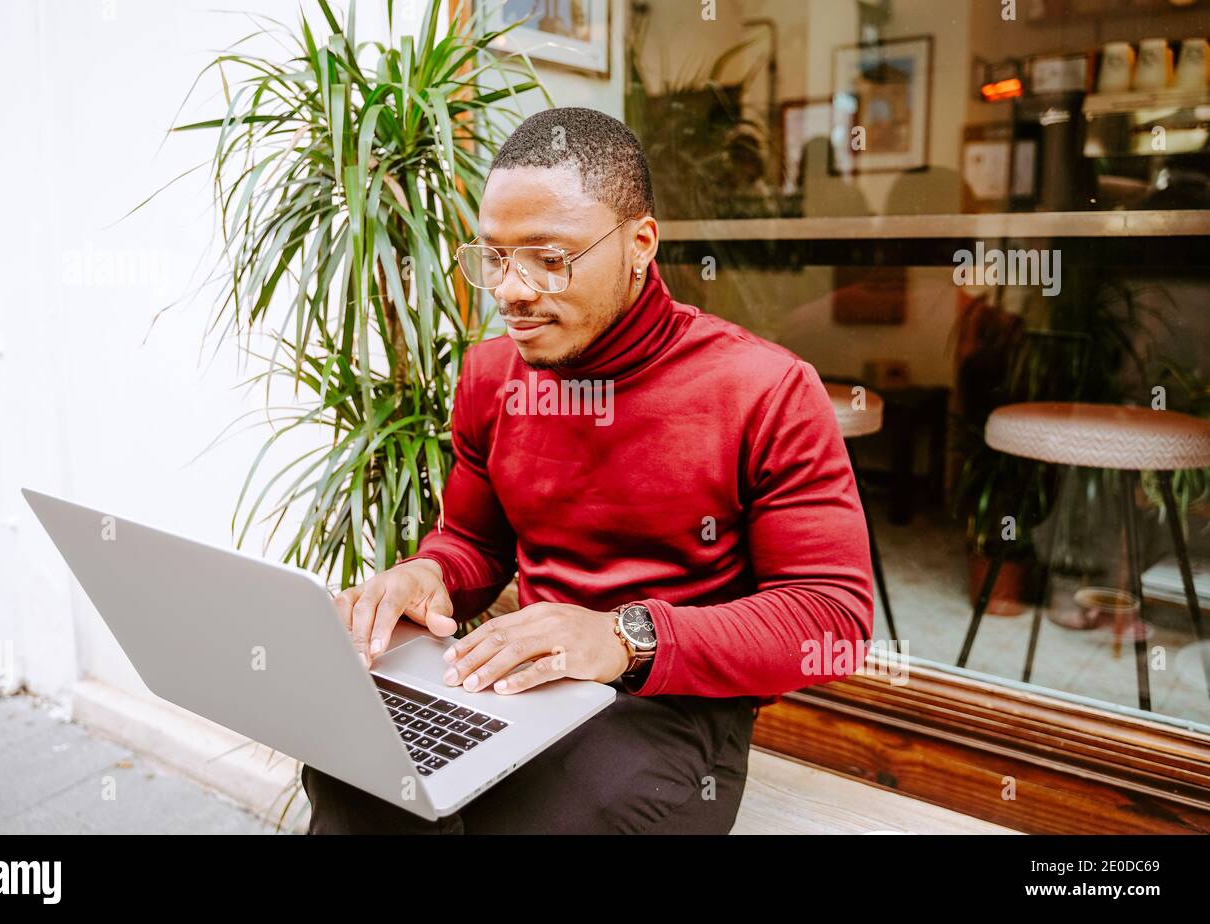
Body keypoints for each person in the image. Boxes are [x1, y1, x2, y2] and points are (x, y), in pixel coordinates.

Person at [301, 106, 874, 834]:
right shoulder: (490, 376)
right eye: (495, 257)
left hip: (675, 710)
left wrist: (624, 637)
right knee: (354, 775)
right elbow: (474, 544)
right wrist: (430, 573)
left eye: (549, 257)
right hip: (523, 680)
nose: (511, 289)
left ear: (640, 244)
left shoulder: (764, 390)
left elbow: (833, 618)